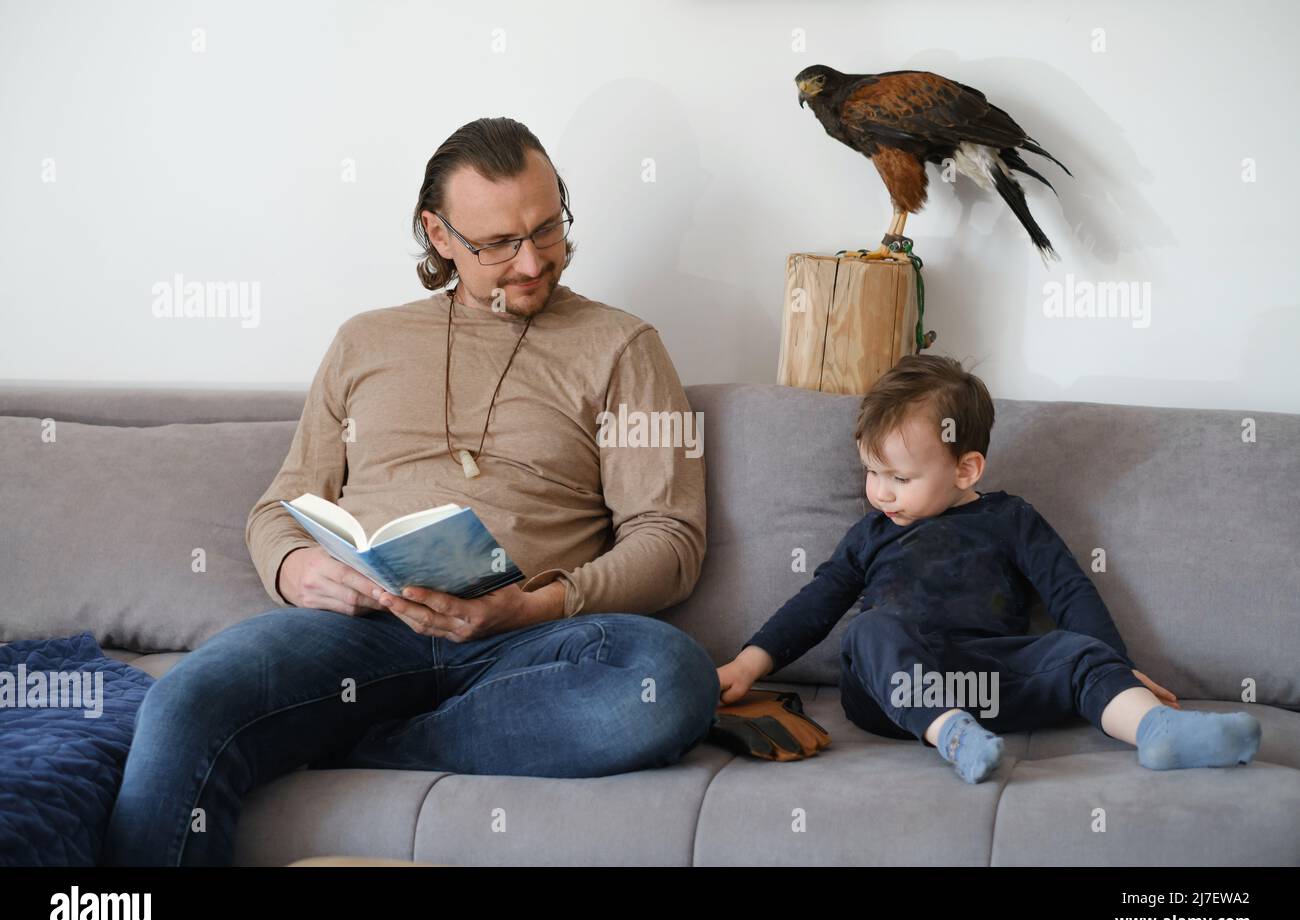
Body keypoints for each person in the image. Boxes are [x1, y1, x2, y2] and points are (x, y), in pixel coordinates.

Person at [102, 117, 719, 866]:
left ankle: (376, 742)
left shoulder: (624, 346)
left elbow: (670, 539)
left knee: (670, 678)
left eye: (547, 228)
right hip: (358, 631)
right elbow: (280, 507)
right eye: (497, 244)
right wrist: (300, 569)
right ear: (439, 234)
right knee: (181, 702)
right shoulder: (366, 342)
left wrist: (531, 604)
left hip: (527, 644)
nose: (532, 261)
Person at [716, 354, 1262, 783]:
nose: (882, 492)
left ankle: (1154, 730)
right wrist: (748, 664)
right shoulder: (871, 534)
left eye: (900, 478)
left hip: (988, 680)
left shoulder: (1010, 518)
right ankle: (950, 733)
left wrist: (1117, 669)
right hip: (893, 691)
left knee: (1078, 652)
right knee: (870, 629)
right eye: (872, 472)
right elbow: (816, 604)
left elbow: (1070, 592)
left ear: (965, 467)